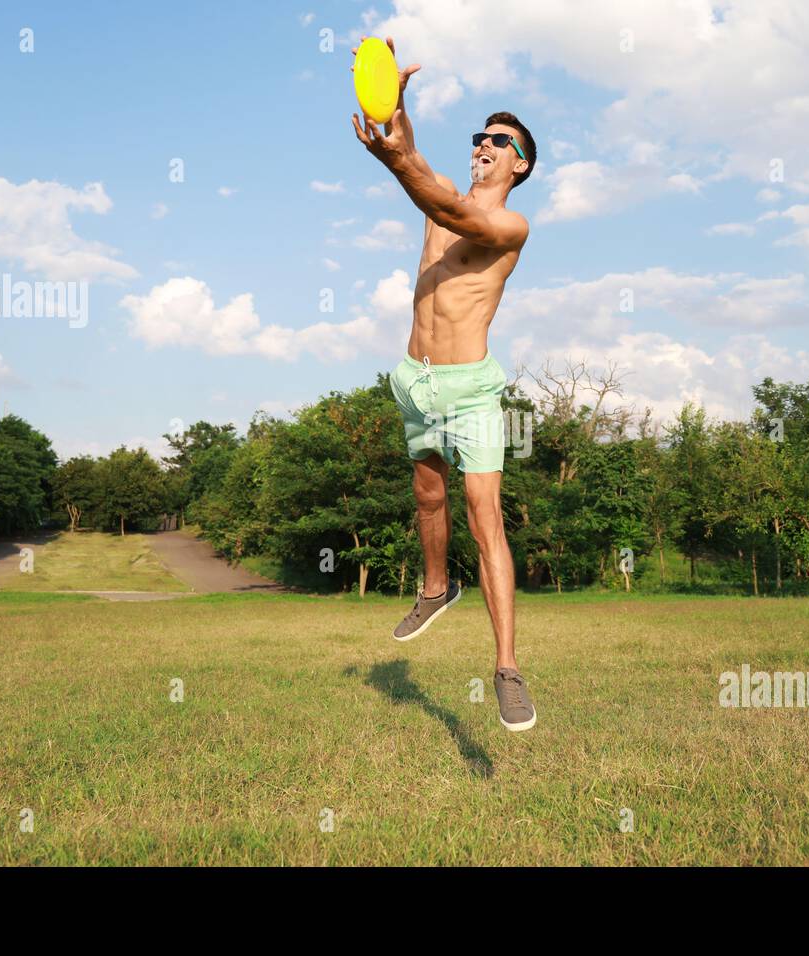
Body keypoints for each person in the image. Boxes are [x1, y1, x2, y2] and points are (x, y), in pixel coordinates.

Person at [351, 37, 537, 731]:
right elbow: (423, 172)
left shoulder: (507, 224)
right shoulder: (440, 198)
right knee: (427, 492)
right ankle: (436, 587)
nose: (484, 144)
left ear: (520, 163)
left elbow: (450, 206)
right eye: (480, 136)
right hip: (415, 381)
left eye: (500, 140)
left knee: (481, 513)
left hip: (469, 388)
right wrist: (394, 106)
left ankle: (508, 669)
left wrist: (397, 157)